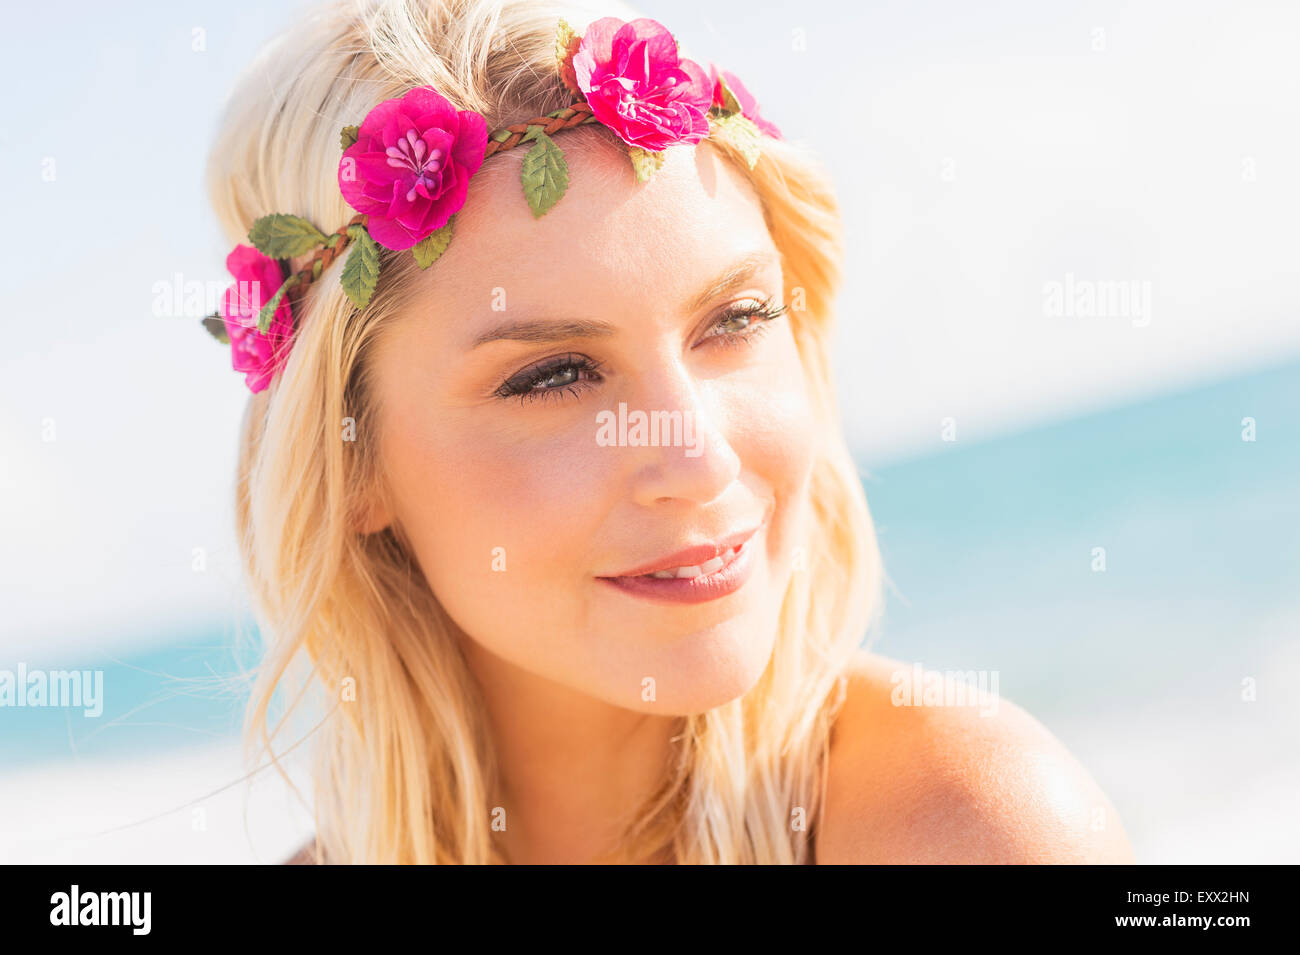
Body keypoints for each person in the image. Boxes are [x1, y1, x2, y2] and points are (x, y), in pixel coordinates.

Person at [204, 0, 1135, 864]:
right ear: (348, 458)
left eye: (734, 320)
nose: (700, 459)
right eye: (553, 376)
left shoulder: (967, 829)